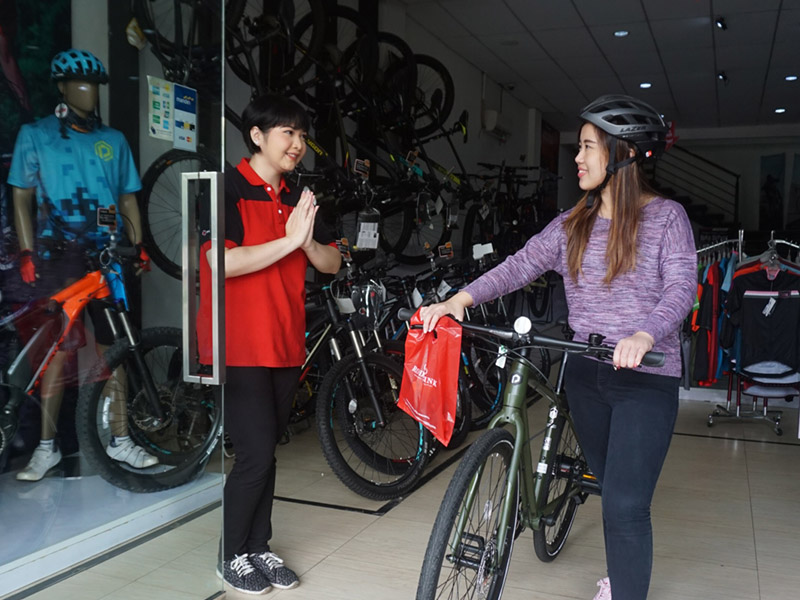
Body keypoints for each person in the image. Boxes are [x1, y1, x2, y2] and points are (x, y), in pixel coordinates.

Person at [421, 94, 697, 600]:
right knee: (611, 485)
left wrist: (645, 333)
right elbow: (519, 265)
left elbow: (682, 286)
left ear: (624, 153)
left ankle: (626, 588)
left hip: (645, 378)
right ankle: (624, 570)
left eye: (588, 146)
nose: (577, 157)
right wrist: (458, 300)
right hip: (586, 377)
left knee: (624, 504)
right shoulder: (573, 222)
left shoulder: (667, 218)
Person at [196, 94, 341, 595]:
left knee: (267, 452)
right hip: (237, 343)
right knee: (256, 452)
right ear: (257, 136)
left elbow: (332, 262)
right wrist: (288, 242)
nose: (298, 144)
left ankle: (258, 546)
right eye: (288, 133)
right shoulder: (227, 187)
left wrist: (306, 242)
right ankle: (231, 554)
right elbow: (223, 263)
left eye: (302, 135)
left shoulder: (298, 198)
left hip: (284, 341)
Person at [8, 48, 156, 481]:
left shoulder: (113, 140)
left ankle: (121, 439)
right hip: (59, 258)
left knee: (117, 349)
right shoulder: (36, 135)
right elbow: (21, 194)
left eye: (94, 87)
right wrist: (27, 251)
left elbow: (128, 196)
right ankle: (46, 447)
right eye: (81, 85)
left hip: (107, 256)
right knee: (57, 351)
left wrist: (138, 244)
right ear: (63, 87)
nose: (89, 94)